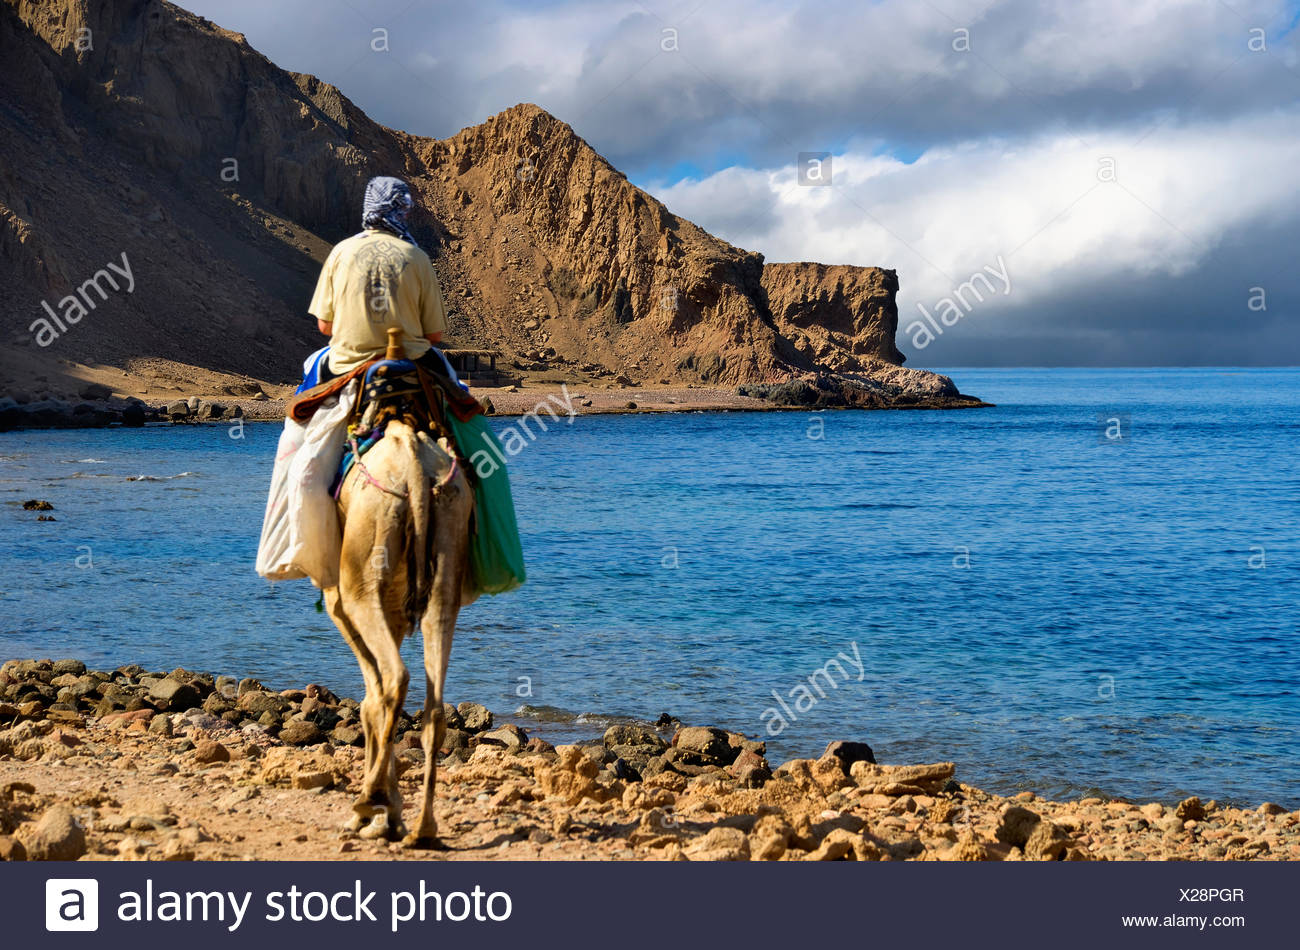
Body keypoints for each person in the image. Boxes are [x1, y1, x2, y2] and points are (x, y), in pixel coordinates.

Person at [308, 176, 451, 379]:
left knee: (305, 398)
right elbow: (434, 335)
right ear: (404, 209)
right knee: (456, 395)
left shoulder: (340, 252)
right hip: (409, 361)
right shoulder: (418, 257)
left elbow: (325, 326)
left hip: (347, 362)